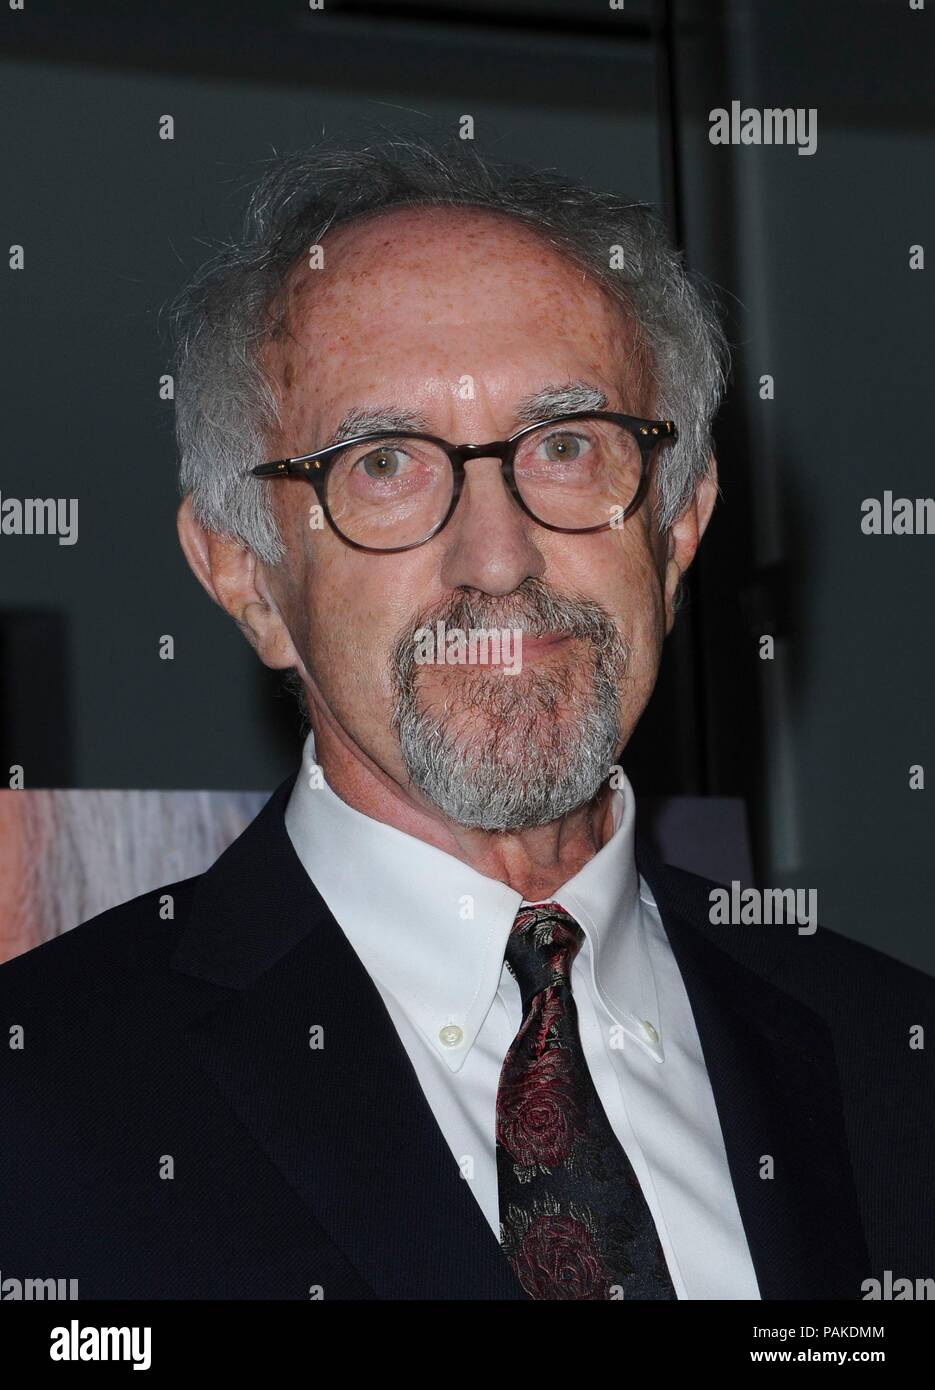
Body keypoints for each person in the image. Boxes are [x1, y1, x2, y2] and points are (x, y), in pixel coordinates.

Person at [1, 136, 931, 1301]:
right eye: (383, 461)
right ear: (247, 575)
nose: (496, 557)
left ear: (678, 529)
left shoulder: (894, 1062)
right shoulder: (38, 1113)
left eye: (564, 446)